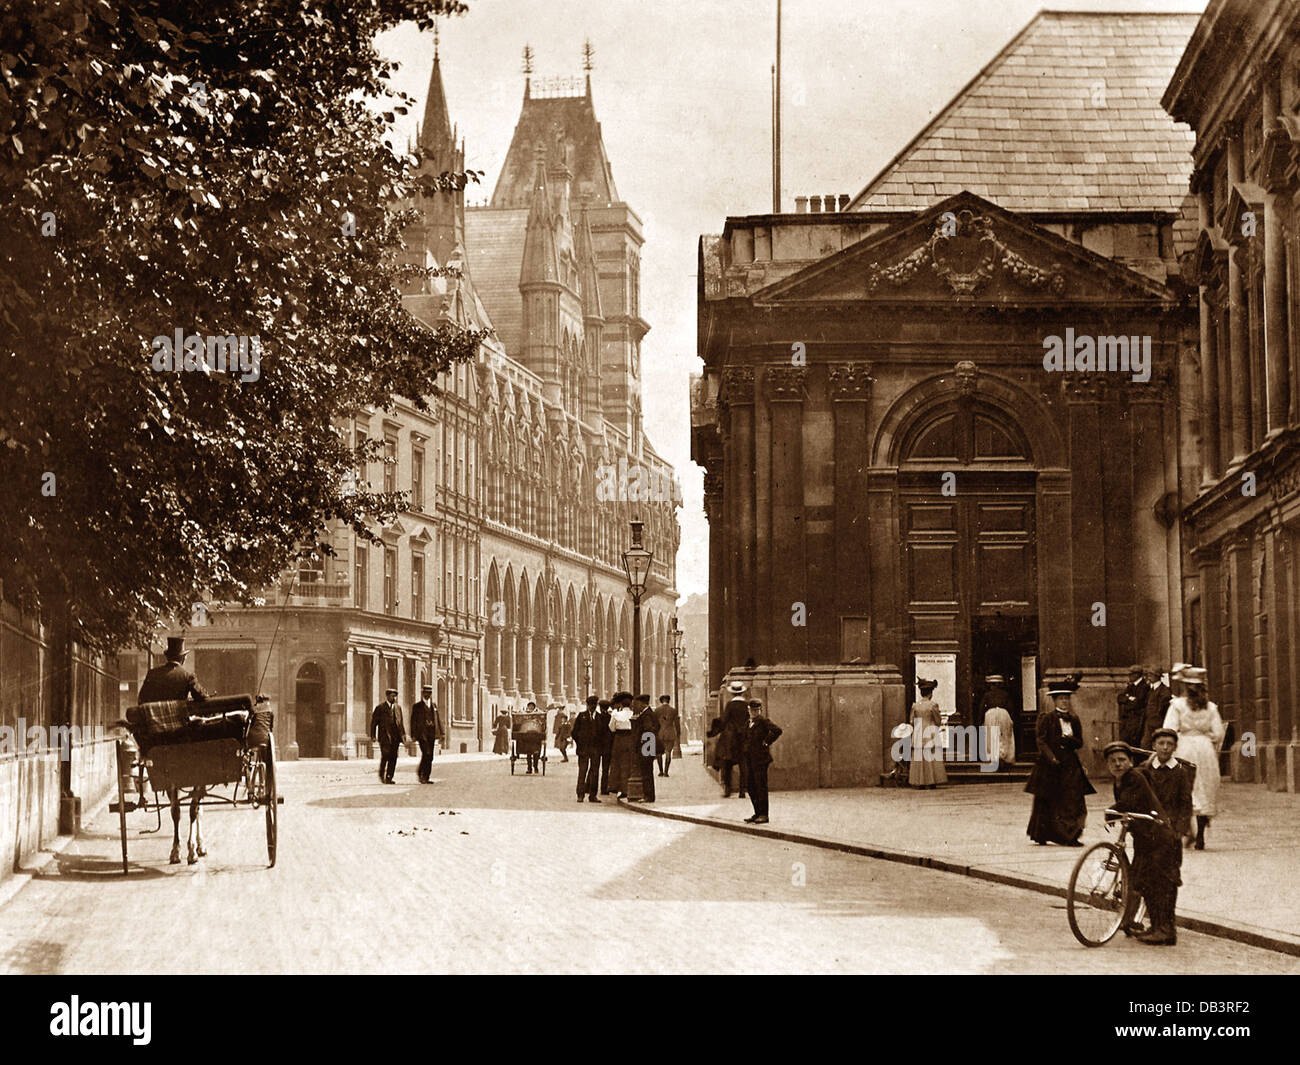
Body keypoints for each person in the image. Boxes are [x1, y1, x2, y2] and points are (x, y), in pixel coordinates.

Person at [1103, 741, 1182, 946]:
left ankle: (1165, 931)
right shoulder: (1119, 781)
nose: (1118, 764)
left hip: (1160, 838)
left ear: (1130, 761)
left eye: (1122, 760)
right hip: (1146, 839)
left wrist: (1112, 811)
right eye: (1113, 761)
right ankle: (1149, 925)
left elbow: (1129, 803)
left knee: (1160, 883)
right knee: (1143, 881)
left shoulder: (1134, 778)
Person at [1025, 674, 1094, 845]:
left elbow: (1079, 742)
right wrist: (1052, 757)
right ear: (1054, 701)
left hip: (1070, 763)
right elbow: (1041, 740)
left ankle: (1070, 834)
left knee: (1072, 798)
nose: (1064, 702)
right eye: (1061, 699)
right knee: (1049, 798)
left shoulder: (1074, 719)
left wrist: (1070, 740)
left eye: (1066, 698)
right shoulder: (1047, 718)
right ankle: (1044, 833)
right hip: (1051, 764)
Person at [1162, 665, 1225, 850]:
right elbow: (1219, 733)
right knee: (1205, 788)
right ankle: (1201, 837)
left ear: (1185, 686)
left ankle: (1187, 830)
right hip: (1205, 750)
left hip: (1185, 748)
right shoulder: (1211, 707)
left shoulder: (1177, 706)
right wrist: (1206, 738)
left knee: (1185, 788)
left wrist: (1173, 744)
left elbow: (1170, 729)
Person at [1140, 727, 1195, 849]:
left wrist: (1181, 829)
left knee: (1170, 865)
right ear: (1154, 746)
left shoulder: (1181, 772)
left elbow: (1186, 802)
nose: (1165, 747)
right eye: (1161, 743)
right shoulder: (1145, 769)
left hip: (1171, 827)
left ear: (1175, 747)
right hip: (1148, 827)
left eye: (1169, 744)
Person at [742, 699, 782, 824]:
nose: (754, 712)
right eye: (752, 710)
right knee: (751, 787)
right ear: (748, 710)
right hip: (750, 759)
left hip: (761, 759)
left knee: (761, 787)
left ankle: (764, 815)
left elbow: (777, 730)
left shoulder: (763, 721)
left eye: (756, 710)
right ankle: (757, 813)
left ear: (760, 710)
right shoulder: (748, 722)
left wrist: (766, 742)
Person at [138, 637, 209, 704]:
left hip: (154, 716)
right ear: (183, 658)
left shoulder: (152, 673)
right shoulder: (187, 676)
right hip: (177, 716)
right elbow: (202, 698)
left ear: (167, 657)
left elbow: (141, 699)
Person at [907, 677, 947, 788]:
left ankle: (920, 781)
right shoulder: (932, 705)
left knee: (919, 756)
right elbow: (938, 720)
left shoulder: (915, 705)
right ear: (930, 693)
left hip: (919, 730)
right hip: (930, 729)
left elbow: (911, 721)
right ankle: (931, 780)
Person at [719, 680, 750, 798]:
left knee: (727, 763)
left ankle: (728, 789)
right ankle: (742, 790)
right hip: (743, 738)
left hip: (731, 739)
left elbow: (724, 720)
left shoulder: (730, 705)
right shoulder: (746, 705)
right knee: (743, 764)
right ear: (742, 693)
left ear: (732, 693)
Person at [570, 696, 604, 803]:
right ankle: (580, 795)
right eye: (590, 705)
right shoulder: (581, 716)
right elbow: (574, 732)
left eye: (594, 705)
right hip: (583, 749)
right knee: (582, 772)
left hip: (595, 750)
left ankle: (592, 795)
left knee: (595, 773)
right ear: (587, 705)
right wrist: (580, 743)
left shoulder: (599, 717)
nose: (592, 707)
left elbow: (603, 734)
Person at [978, 674, 1015, 769]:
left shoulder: (987, 695)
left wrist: (981, 720)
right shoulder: (1005, 694)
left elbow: (982, 708)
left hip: (990, 715)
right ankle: (1004, 756)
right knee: (1004, 736)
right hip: (1004, 714)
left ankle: (994, 757)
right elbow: (1010, 708)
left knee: (992, 737)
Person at [370, 687, 405, 784]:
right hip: (384, 736)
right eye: (392, 696)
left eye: (395, 696)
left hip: (395, 737)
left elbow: (400, 723)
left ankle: (389, 777)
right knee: (385, 756)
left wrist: (403, 735)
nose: (394, 698)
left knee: (393, 758)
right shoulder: (380, 708)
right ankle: (381, 774)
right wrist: (373, 735)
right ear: (387, 696)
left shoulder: (398, 708)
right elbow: (374, 723)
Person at [409, 685, 443, 784]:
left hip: (432, 734)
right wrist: (413, 735)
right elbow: (413, 721)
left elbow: (438, 720)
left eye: (429, 693)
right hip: (422, 734)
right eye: (426, 693)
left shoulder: (434, 706)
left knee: (430, 756)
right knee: (426, 753)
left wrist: (442, 733)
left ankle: (426, 776)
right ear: (423, 693)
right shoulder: (417, 706)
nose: (428, 694)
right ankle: (422, 774)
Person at [631, 693, 659, 802]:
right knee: (648, 771)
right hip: (649, 746)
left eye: (638, 703)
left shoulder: (646, 715)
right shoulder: (650, 713)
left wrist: (642, 741)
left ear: (642, 703)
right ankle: (649, 795)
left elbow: (648, 730)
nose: (636, 705)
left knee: (646, 772)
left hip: (646, 747)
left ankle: (648, 796)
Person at [608, 692, 635, 797]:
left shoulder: (616, 714)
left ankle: (617, 787)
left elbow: (611, 728)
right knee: (628, 764)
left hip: (619, 739)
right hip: (630, 739)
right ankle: (627, 788)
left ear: (621, 705)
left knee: (617, 763)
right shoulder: (633, 714)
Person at [1117, 665, 1149, 749]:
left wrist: (1127, 698)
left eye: (1130, 674)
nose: (1129, 676)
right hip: (1128, 720)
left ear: (1137, 675)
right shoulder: (1131, 686)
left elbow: (1137, 703)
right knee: (1124, 744)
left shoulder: (1144, 687)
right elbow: (1119, 698)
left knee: (1135, 746)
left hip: (1136, 721)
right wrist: (1129, 698)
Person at [1141, 666, 1172, 749]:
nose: (1149, 677)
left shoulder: (1164, 691)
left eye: (1151, 675)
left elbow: (1163, 709)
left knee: (1155, 746)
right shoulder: (1151, 690)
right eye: (1148, 675)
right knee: (1145, 746)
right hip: (1149, 724)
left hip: (1157, 725)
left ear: (1157, 676)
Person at [654, 695, 680, 776]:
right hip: (670, 733)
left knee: (659, 753)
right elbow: (677, 724)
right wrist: (678, 734)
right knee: (668, 752)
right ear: (668, 701)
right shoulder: (673, 710)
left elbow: (655, 724)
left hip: (660, 734)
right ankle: (666, 772)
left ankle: (661, 771)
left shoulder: (657, 710)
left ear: (661, 701)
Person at [596, 698, 614, 794]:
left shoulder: (597, 717)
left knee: (594, 767)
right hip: (607, 746)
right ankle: (604, 789)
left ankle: (589, 786)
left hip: (598, 746)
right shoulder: (610, 717)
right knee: (605, 769)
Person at [522, 701, 542, 774]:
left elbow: (541, 722)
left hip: (536, 735)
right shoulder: (525, 713)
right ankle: (529, 768)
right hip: (527, 736)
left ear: (534, 707)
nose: (530, 708)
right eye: (529, 706)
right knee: (529, 754)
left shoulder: (538, 713)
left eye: (532, 706)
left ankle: (536, 767)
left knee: (536, 754)